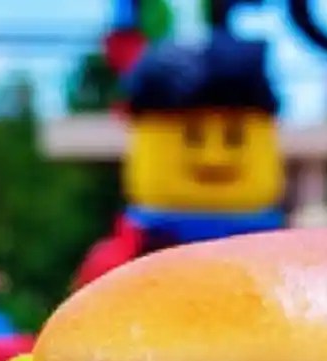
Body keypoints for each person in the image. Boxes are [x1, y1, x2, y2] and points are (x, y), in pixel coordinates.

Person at [73, 35, 285, 289]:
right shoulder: (118, 265)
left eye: (234, 138)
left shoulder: (289, 259)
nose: (214, 158)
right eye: (192, 137)